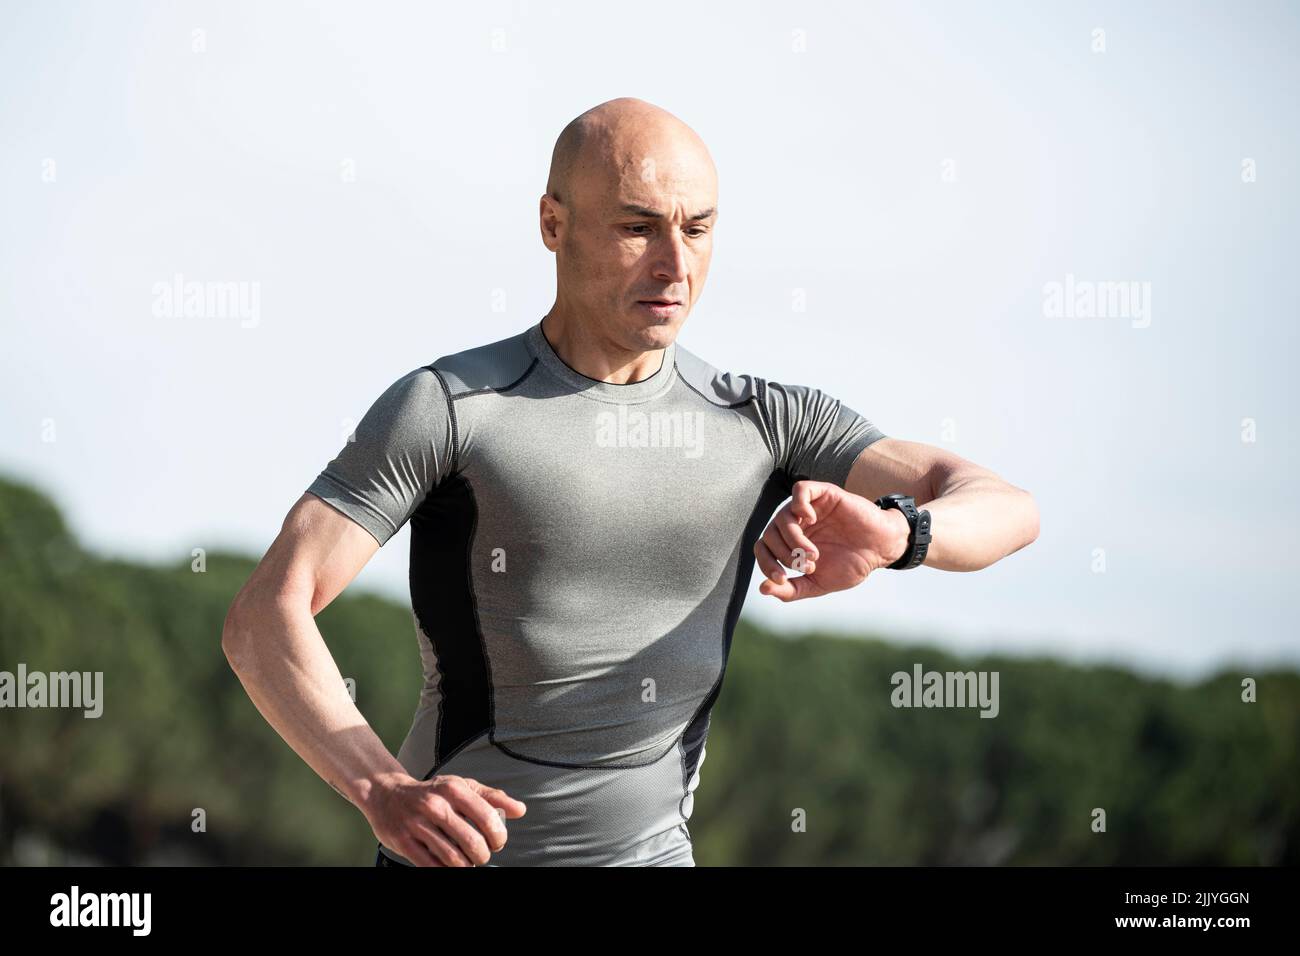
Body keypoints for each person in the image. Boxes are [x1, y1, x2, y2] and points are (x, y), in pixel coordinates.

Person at [221, 97, 1040, 867]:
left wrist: (902, 532)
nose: (674, 263)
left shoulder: (763, 420)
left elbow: (1007, 508)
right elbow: (266, 613)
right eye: (638, 228)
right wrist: (381, 789)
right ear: (554, 224)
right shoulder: (452, 408)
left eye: (698, 228)